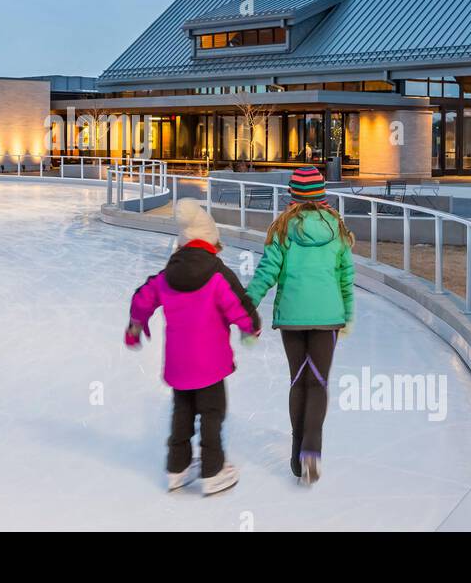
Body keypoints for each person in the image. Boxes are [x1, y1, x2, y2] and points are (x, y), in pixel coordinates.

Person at [126, 199, 260, 496]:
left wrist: (135, 326)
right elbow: (240, 306)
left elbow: (142, 299)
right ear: (211, 240)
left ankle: (177, 469)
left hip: (178, 365)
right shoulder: (217, 275)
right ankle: (212, 470)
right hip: (211, 365)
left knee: (182, 411)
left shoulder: (167, 275)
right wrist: (251, 328)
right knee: (212, 413)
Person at [245, 166, 354, 486]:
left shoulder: (281, 228)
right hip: (327, 317)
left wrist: (247, 303)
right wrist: (348, 314)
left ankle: (296, 454)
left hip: (293, 317)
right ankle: (311, 451)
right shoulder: (336, 227)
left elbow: (266, 272)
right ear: (322, 194)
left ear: (292, 194)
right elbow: (346, 276)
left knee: (299, 381)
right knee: (318, 382)